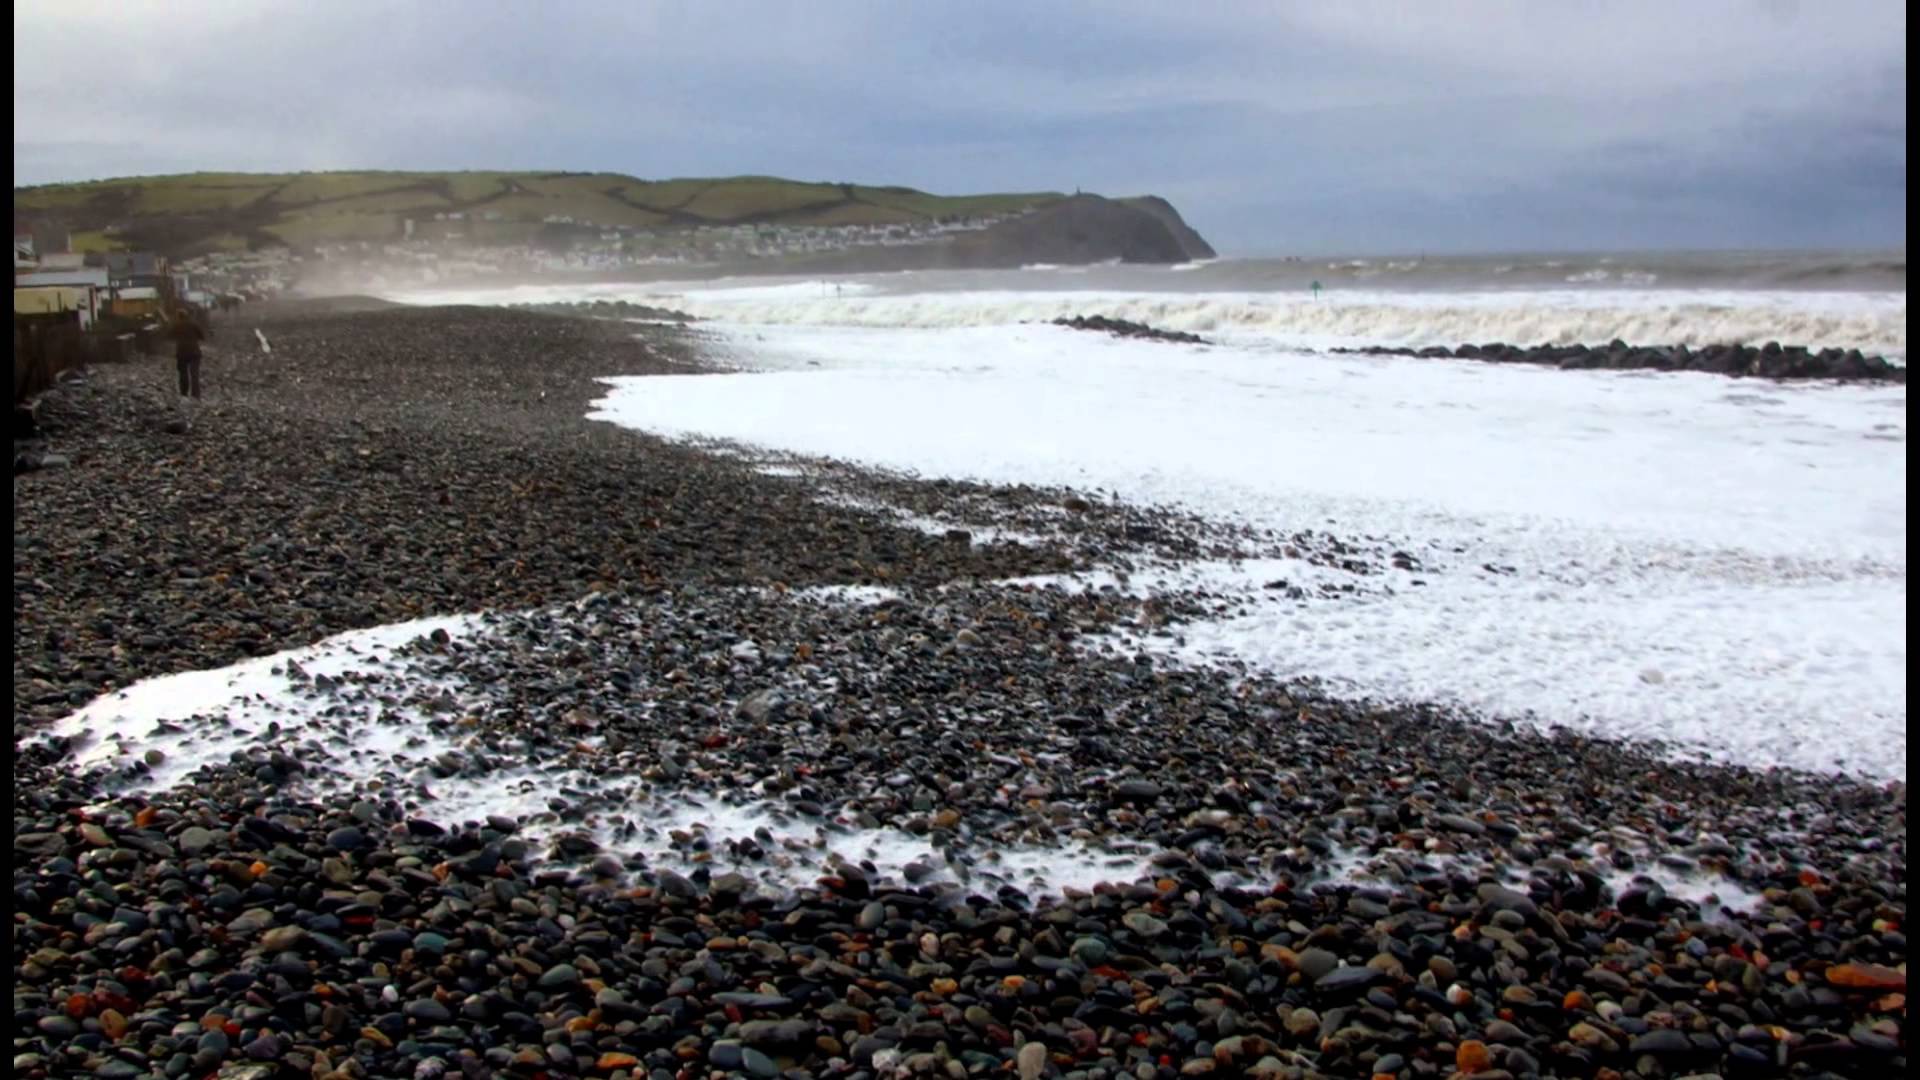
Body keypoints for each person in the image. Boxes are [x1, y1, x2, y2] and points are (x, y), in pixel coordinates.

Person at [169, 307, 207, 399]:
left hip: (182, 352)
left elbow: (169, 336)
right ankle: (196, 394)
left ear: (178, 317)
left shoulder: (176, 326)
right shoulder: (193, 324)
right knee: (195, 374)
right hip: (194, 352)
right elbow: (202, 336)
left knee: (183, 373)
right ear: (187, 316)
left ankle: (184, 393)